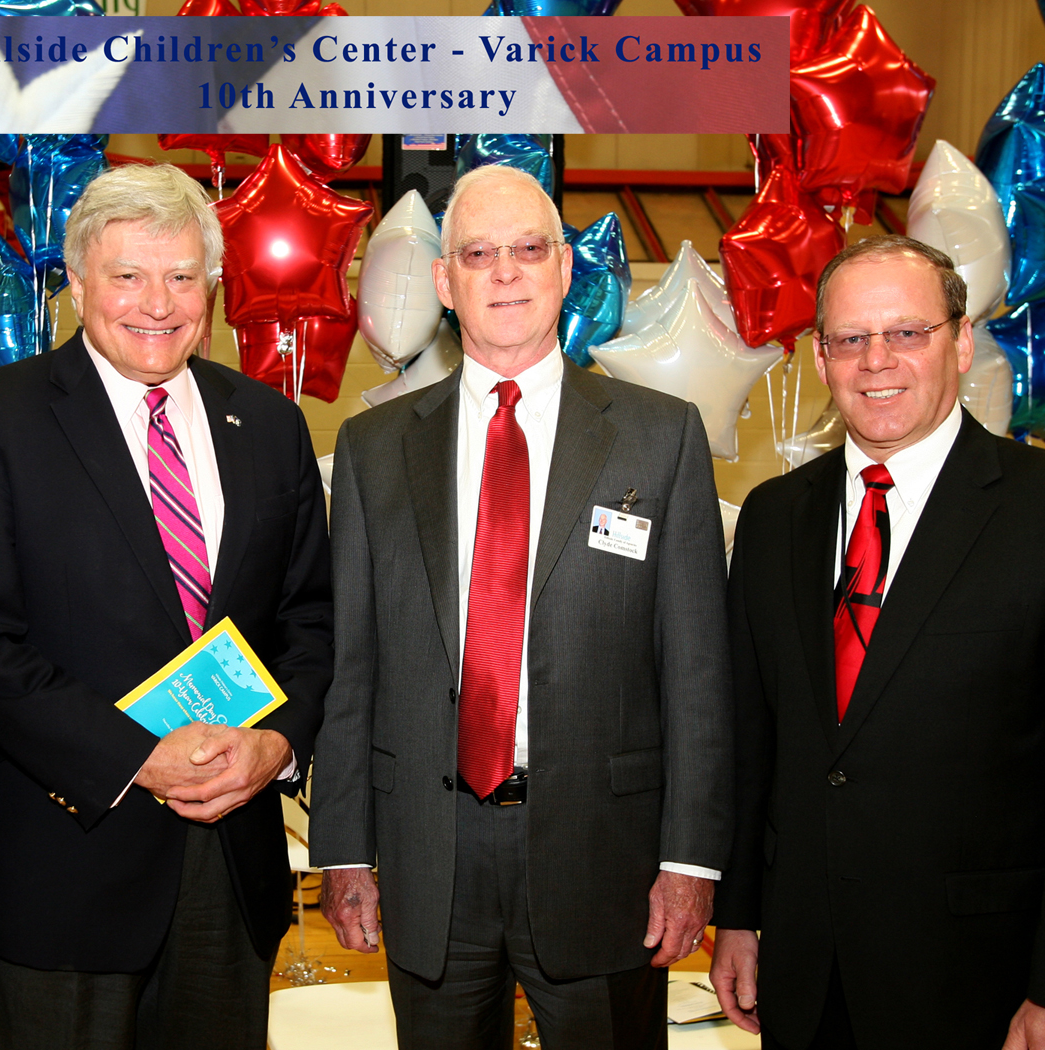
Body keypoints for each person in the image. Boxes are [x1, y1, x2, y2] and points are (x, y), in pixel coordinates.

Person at [711, 235, 1045, 1050]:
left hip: (984, 985)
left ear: (960, 342)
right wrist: (739, 917)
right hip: (805, 975)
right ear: (820, 358)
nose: (876, 360)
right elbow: (755, 743)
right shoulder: (774, 519)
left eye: (907, 332)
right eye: (850, 338)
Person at [310, 164, 734, 1049]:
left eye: (529, 249)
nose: (505, 272)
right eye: (478, 254)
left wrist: (689, 859)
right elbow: (354, 666)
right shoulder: (373, 449)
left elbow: (697, 671)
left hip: (606, 857)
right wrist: (344, 849)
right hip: (430, 855)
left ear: (565, 269)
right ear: (444, 282)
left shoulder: (661, 437)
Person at [0, 162, 332, 1050]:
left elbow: (310, 619)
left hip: (233, 856)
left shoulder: (269, 425)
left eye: (182, 276)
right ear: (77, 283)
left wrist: (276, 744)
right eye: (128, 275)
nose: (158, 303)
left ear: (211, 285)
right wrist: (136, 757)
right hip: (70, 862)